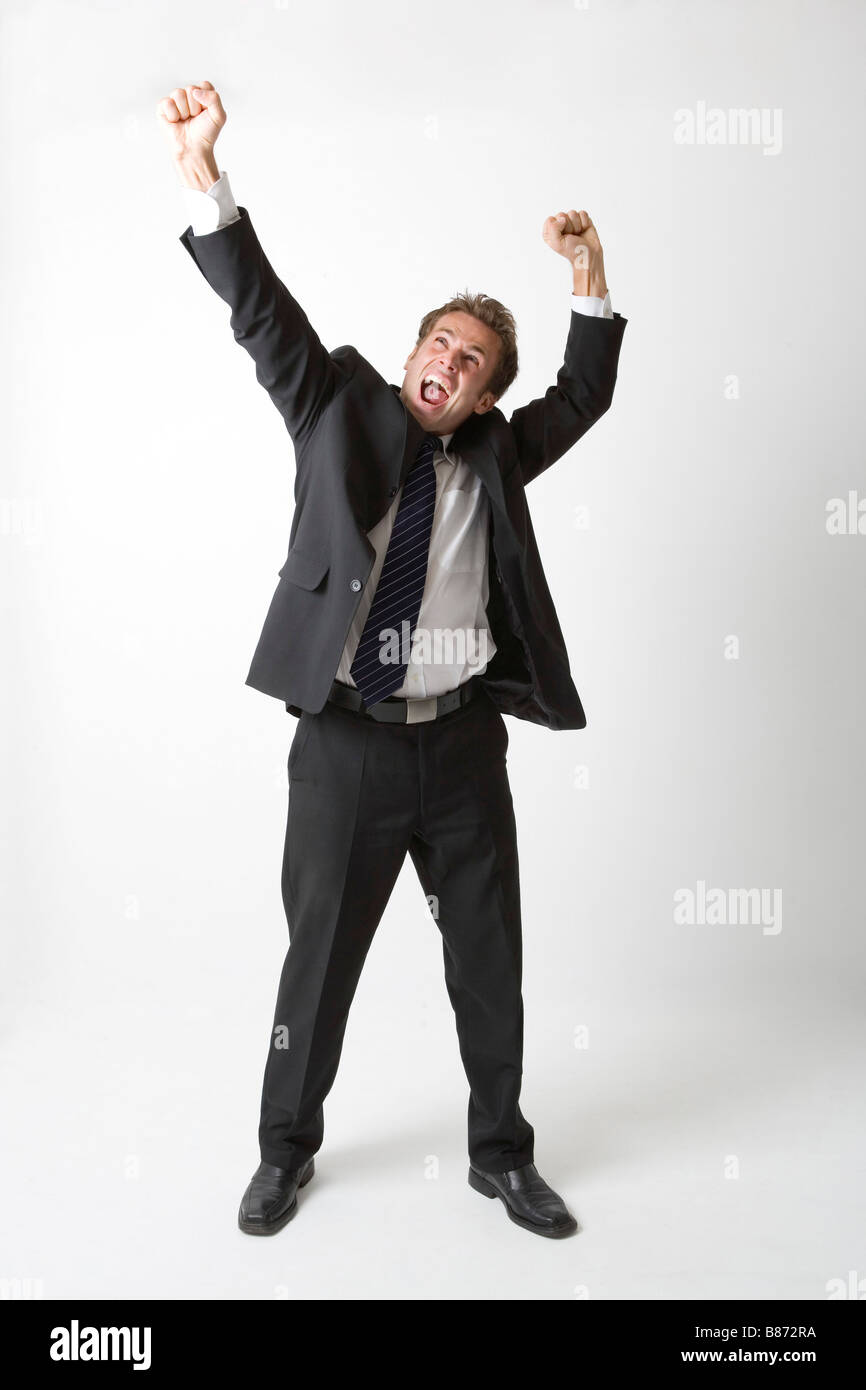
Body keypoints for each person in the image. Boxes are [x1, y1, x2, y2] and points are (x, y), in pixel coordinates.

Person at [157, 80, 627, 1240]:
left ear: (482, 393)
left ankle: (500, 1155)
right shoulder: (332, 406)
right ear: (414, 351)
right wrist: (208, 176)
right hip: (344, 748)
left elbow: (585, 391)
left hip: (463, 747)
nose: (448, 362)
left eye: (471, 360)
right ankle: (282, 1152)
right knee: (317, 964)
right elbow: (261, 311)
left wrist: (587, 275)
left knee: (488, 960)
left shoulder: (499, 462)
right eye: (438, 342)